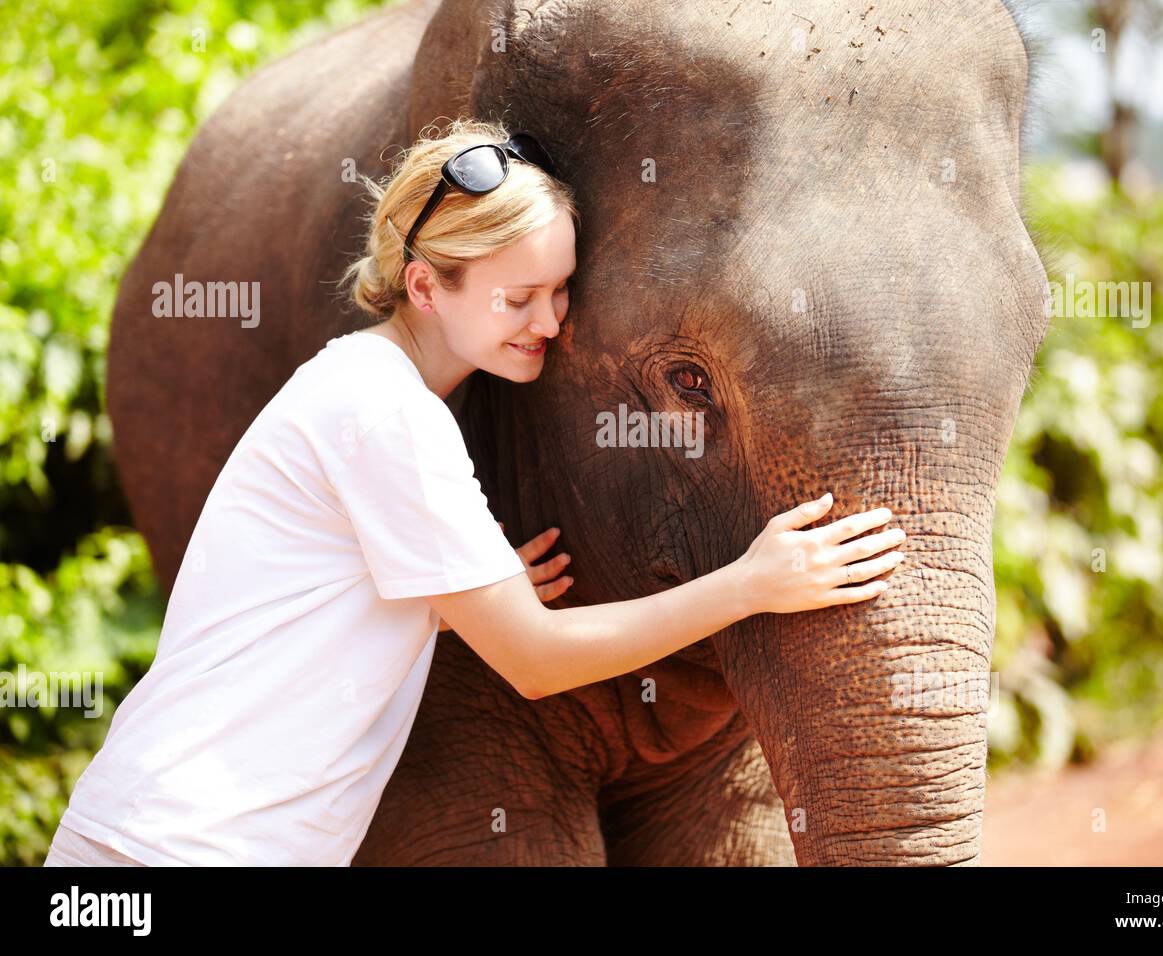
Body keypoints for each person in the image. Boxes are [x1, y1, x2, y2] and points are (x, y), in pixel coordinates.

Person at [45, 118, 906, 867]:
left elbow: (307, 597)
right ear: (424, 286)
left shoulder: (363, 389)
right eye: (517, 297)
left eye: (562, 289)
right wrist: (753, 583)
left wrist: (454, 599)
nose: (550, 322)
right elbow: (536, 663)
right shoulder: (390, 415)